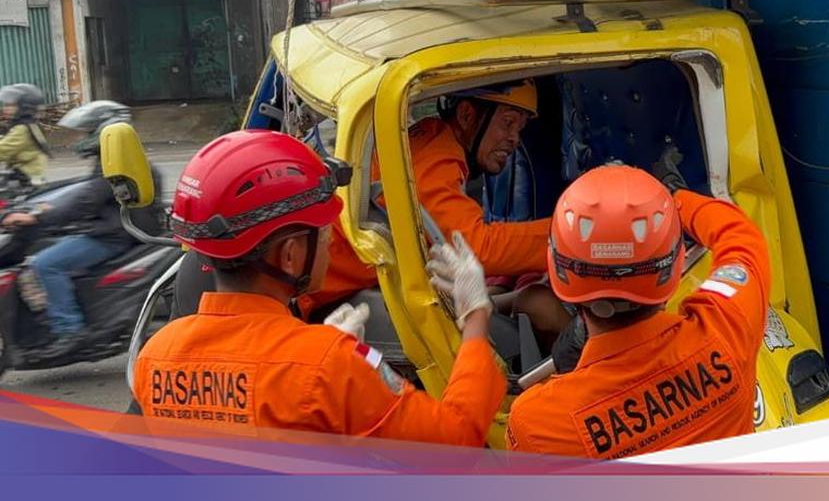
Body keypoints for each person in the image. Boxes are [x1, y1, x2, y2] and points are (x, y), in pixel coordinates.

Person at [132, 130, 505, 443]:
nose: (330, 246)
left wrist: (316, 353)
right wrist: (475, 315)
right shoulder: (329, 366)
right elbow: (456, 436)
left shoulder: (157, 356)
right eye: (325, 233)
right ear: (291, 255)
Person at [500, 164, 770, 459]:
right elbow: (742, 238)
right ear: (676, 263)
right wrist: (673, 202)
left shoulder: (537, 423)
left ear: (557, 270)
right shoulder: (728, 328)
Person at [409, 79, 569, 344]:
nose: (515, 139)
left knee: (532, 300)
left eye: (520, 128)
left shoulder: (430, 141)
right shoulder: (436, 159)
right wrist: (576, 234)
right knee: (541, 306)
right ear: (466, 115)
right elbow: (476, 247)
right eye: (508, 123)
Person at [2, 101, 161, 356]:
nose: (79, 138)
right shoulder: (117, 158)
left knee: (46, 264)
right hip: (112, 229)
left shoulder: (116, 164)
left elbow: (86, 198)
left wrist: (37, 218)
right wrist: (44, 205)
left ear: (103, 131)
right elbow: (81, 190)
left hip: (113, 236)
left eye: (85, 132)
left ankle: (69, 330)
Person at [0, 83, 50, 197]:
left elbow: (3, 150)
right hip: (25, 176)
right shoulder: (28, 124)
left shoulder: (22, 128)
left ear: (24, 107)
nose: (5, 108)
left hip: (26, 180)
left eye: (10, 105)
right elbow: (8, 141)